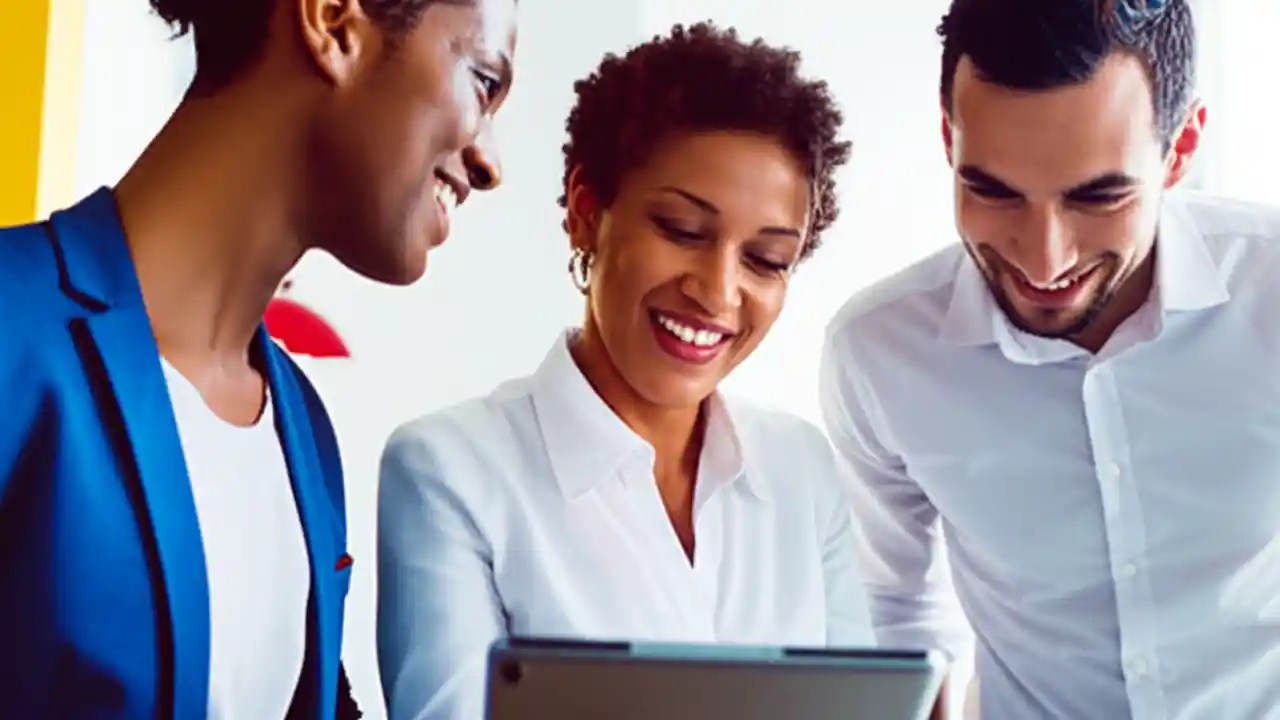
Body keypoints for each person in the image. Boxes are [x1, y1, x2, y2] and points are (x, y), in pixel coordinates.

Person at [0, 0, 517, 717]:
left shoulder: (300, 426)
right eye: (484, 81)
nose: (491, 163)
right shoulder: (12, 334)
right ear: (335, 21)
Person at [377, 21, 876, 719]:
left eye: (765, 260)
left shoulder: (800, 469)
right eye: (681, 230)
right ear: (588, 212)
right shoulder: (452, 469)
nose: (717, 291)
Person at [820, 0, 1280, 717]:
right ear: (948, 139)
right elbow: (894, 606)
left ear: (1181, 147)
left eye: (1100, 196)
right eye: (992, 190)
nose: (1044, 257)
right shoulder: (879, 356)